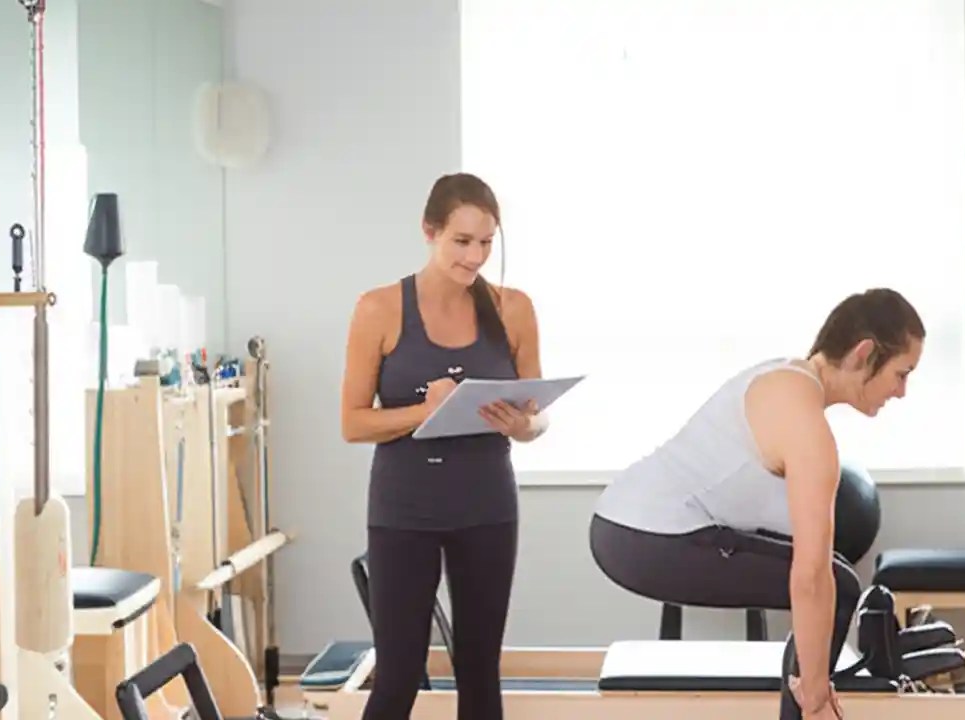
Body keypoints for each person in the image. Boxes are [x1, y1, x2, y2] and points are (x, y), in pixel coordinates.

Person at [589, 288, 924, 720]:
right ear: (864, 353)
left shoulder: (786, 377)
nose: (901, 391)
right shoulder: (806, 426)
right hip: (645, 537)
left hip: (626, 527)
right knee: (836, 588)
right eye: (902, 373)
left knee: (834, 583)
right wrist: (818, 691)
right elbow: (808, 578)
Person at [341, 172, 547, 720]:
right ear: (429, 231)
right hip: (404, 511)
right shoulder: (379, 308)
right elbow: (353, 423)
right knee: (400, 673)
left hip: (487, 508)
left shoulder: (514, 309)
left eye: (486, 242)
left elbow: (536, 413)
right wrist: (423, 412)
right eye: (462, 241)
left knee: (480, 670)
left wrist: (526, 428)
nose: (476, 255)